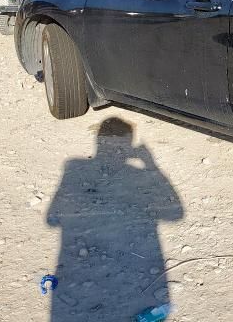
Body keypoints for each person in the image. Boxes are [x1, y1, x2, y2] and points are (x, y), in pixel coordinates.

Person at [46, 118, 183, 320]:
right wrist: (150, 163)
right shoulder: (76, 167)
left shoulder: (73, 166)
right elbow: (176, 214)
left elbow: (52, 219)